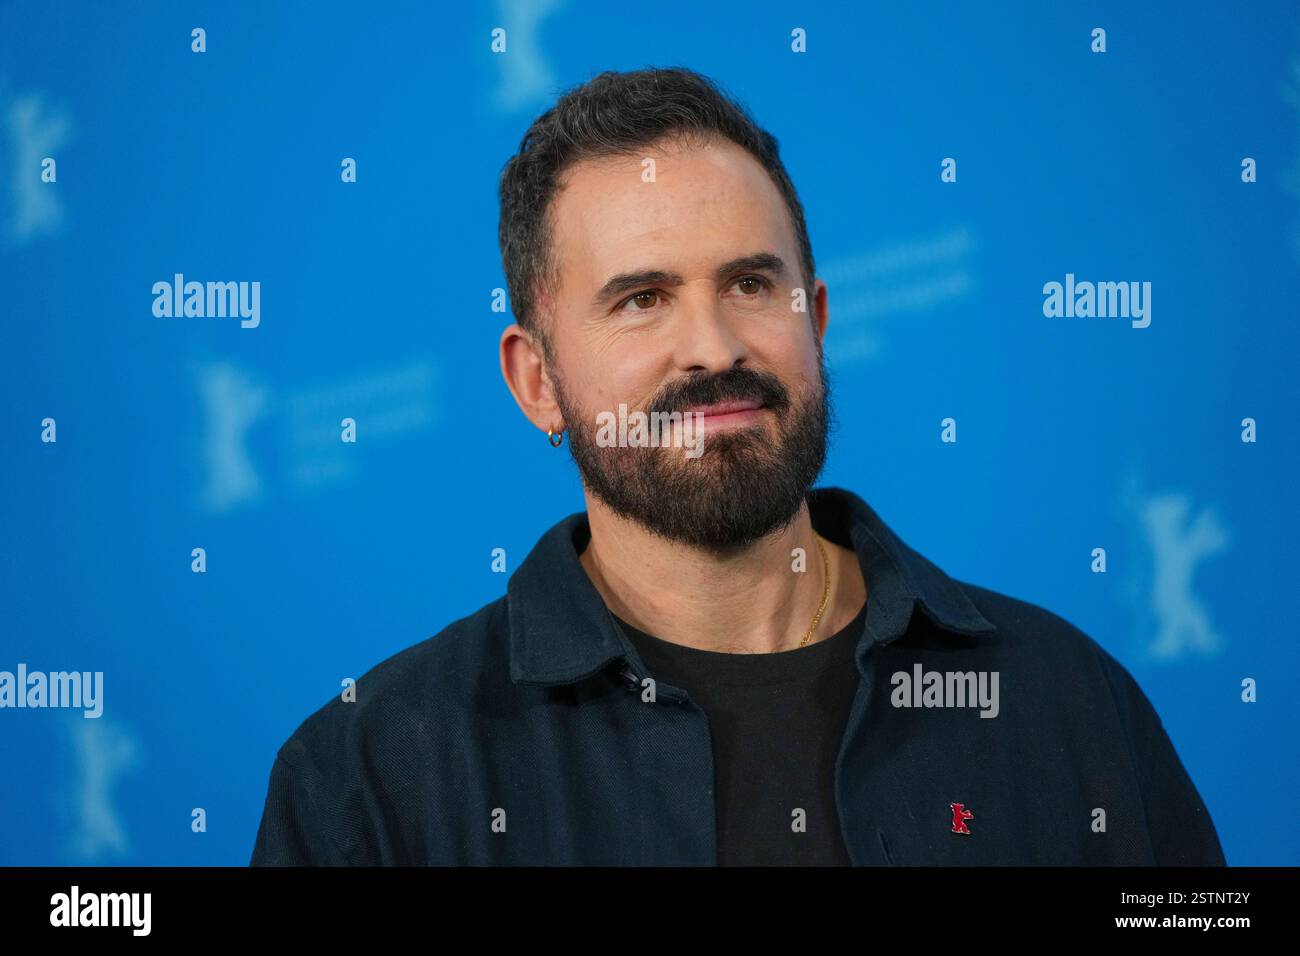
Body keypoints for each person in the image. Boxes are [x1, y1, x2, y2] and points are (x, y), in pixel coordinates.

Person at [251, 67, 1224, 866]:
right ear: (537, 379)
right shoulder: (371, 773)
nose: (713, 348)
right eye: (641, 298)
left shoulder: (1064, 700)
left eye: (752, 284)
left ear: (818, 322)